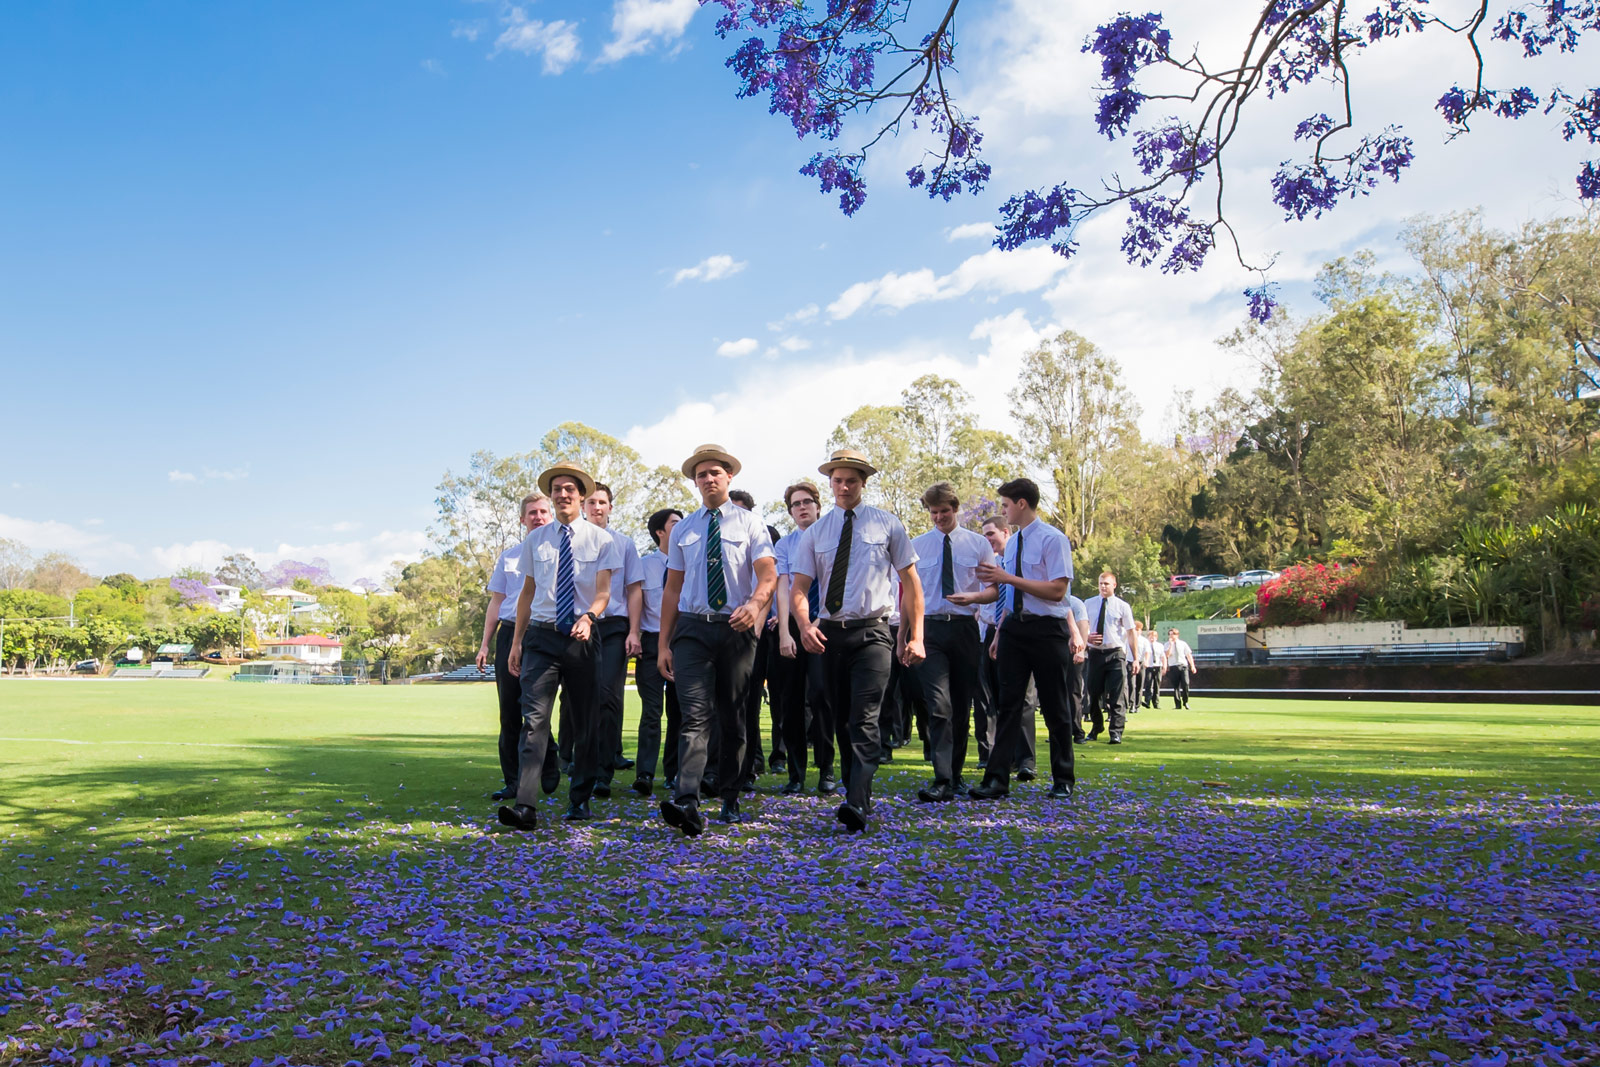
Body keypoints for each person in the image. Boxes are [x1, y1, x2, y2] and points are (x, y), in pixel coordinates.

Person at [790, 448, 924, 834]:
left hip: (874, 633)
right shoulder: (815, 533)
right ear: (829, 484)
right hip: (829, 636)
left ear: (863, 483)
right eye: (837, 480)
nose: (844, 486)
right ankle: (854, 789)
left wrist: (916, 635)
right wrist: (803, 624)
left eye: (851, 480)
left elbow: (911, 584)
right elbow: (798, 589)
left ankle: (857, 802)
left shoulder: (887, 524)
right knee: (840, 721)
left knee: (864, 718)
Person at [658, 444, 777, 835]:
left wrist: (756, 605)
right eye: (701, 474)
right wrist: (663, 644)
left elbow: (768, 576)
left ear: (729, 477)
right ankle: (688, 800)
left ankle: (730, 795)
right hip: (692, 630)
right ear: (695, 482)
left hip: (736, 630)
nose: (708, 479)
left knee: (735, 716)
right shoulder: (684, 529)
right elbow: (672, 591)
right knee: (694, 714)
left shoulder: (750, 524)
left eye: (715, 473)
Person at [498, 463, 621, 830]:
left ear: (580, 496)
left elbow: (602, 593)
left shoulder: (601, 540)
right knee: (533, 720)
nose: (563, 494)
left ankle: (579, 798)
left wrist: (589, 618)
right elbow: (527, 594)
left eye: (570, 488)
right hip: (540, 635)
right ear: (551, 496)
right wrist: (517, 642)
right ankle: (525, 806)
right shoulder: (536, 540)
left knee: (584, 721)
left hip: (582, 637)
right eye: (557, 489)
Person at [969, 478, 1081, 801]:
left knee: (1056, 706)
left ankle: (1063, 778)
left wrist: (1007, 577)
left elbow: (1058, 589)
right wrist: (999, 633)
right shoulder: (1013, 543)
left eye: (1005, 504)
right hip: (1014, 630)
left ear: (1021, 504)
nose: (1003, 510)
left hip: (1047, 631)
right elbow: (1012, 593)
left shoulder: (1053, 540)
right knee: (1008, 705)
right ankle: (996, 779)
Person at [913, 482, 997, 801]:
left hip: (964, 630)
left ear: (956, 509)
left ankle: (957, 774)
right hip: (930, 631)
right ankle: (942, 778)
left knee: (962, 705)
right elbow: (908, 593)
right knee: (939, 706)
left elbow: (993, 589)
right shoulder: (917, 545)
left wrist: (973, 597)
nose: (938, 518)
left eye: (944, 512)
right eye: (933, 513)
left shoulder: (977, 544)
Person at [477, 492, 558, 802]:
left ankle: (550, 755)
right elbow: (497, 602)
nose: (538, 517)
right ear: (522, 520)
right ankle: (513, 781)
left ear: (550, 515)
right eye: (532, 513)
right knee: (509, 712)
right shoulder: (509, 556)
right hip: (509, 632)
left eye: (543, 511)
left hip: (541, 632)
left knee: (535, 707)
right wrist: (485, 644)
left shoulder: (559, 553)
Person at [773, 481, 836, 796]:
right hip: (793, 630)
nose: (802, 507)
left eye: (807, 501)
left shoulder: (833, 539)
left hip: (824, 626)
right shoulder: (784, 546)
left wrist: (816, 621)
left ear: (818, 505)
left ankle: (827, 771)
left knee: (823, 698)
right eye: (796, 504)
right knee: (791, 702)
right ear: (791, 511)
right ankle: (796, 774)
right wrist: (786, 631)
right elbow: (783, 588)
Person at [584, 483, 645, 798]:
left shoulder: (624, 544)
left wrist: (634, 631)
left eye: (602, 502)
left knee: (608, 696)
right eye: (591, 502)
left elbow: (634, 590)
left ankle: (602, 774)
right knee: (582, 699)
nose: (596, 507)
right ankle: (578, 764)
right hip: (577, 627)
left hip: (613, 628)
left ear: (610, 507)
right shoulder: (572, 543)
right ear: (583, 505)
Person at [632, 507, 683, 795]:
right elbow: (636, 603)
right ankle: (645, 775)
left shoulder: (691, 562)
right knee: (651, 711)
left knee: (680, 712)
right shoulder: (644, 565)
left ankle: (673, 773)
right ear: (659, 532)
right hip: (651, 644)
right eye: (675, 523)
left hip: (683, 644)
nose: (681, 527)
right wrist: (634, 635)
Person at [1082, 571, 1137, 745]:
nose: (1103, 586)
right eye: (1100, 583)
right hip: (1095, 653)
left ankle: (1116, 731)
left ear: (1114, 585)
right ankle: (1096, 726)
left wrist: (1135, 658)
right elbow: (1082, 626)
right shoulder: (1088, 603)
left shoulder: (1122, 606)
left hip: (1115, 653)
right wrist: (1086, 638)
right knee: (1092, 692)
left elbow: (1130, 632)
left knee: (1116, 694)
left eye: (1106, 583)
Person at [1164, 626, 1197, 708]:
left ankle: (1185, 702)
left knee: (1186, 684)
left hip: (1183, 666)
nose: (1171, 636)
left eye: (1173, 634)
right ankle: (1177, 704)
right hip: (1173, 666)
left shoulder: (1183, 643)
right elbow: (1167, 655)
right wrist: (1171, 645)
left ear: (1177, 635)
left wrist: (1192, 666)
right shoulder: (1167, 644)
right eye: (1170, 634)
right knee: (1176, 686)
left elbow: (1188, 655)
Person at [1142, 628, 1166, 708]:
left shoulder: (1160, 646)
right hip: (1149, 666)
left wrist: (1164, 666)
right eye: (1150, 636)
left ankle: (1156, 702)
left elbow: (1163, 657)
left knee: (1157, 685)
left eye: (1154, 636)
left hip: (1158, 666)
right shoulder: (1146, 645)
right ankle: (1147, 701)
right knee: (1148, 684)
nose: (1152, 638)